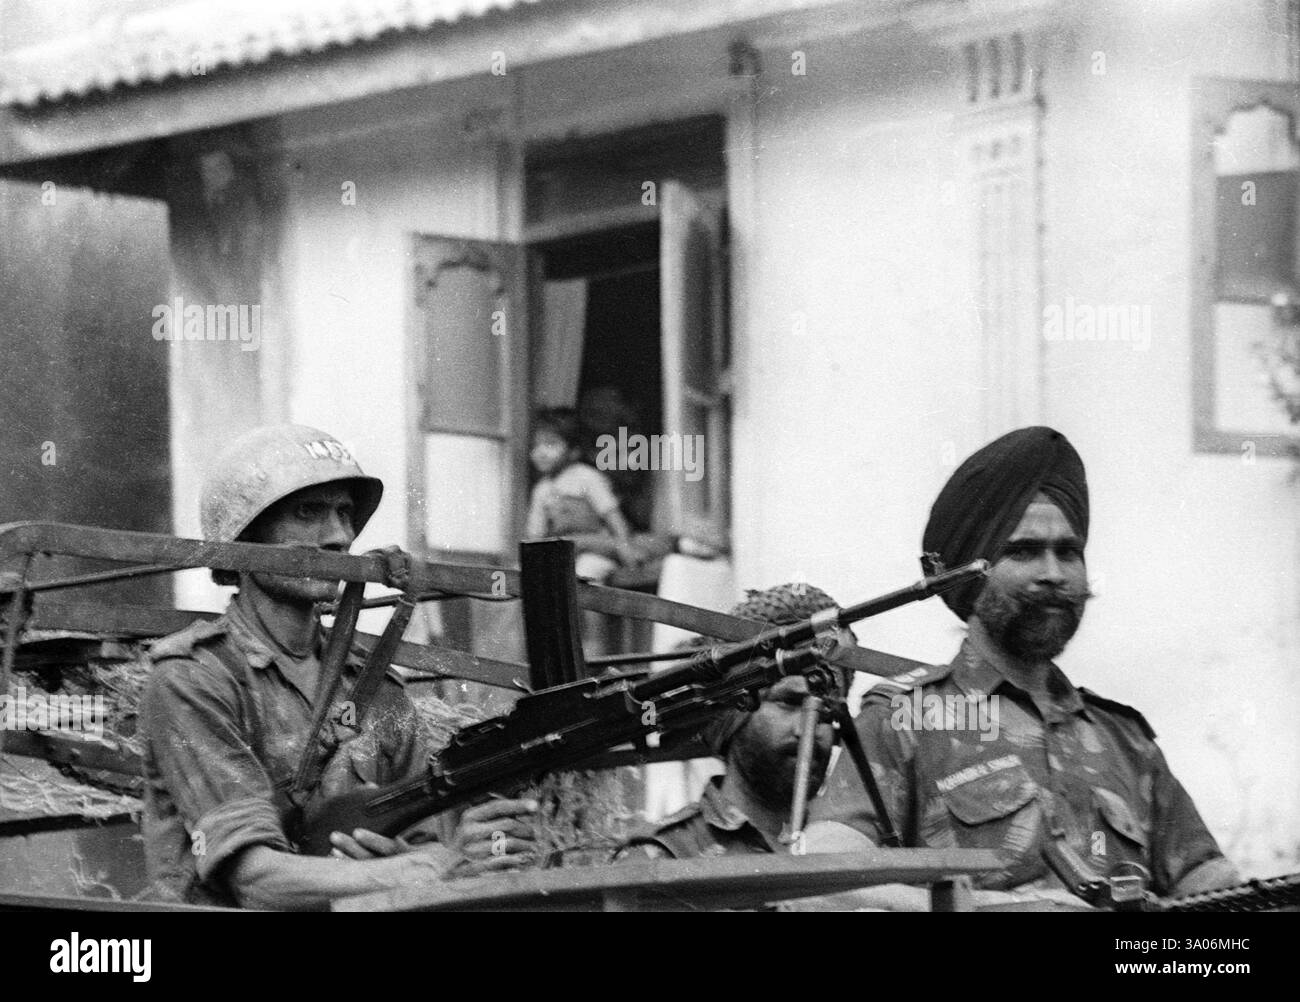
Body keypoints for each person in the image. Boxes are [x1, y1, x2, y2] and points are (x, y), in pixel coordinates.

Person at [802, 426, 1240, 908]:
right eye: (1024, 551)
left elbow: (1207, 880)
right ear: (970, 573)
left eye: (1068, 552)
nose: (1053, 573)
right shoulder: (902, 721)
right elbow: (827, 886)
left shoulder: (1125, 739)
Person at [140, 424, 537, 909]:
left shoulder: (377, 687)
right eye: (308, 512)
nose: (339, 536)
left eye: (344, 512)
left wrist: (443, 856)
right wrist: (426, 868)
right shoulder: (194, 677)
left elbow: (425, 849)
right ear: (244, 535)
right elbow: (255, 881)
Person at [615, 583, 853, 860]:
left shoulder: (855, 843)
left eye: (825, 711)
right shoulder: (666, 855)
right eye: (788, 702)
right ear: (732, 712)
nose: (808, 730)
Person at [525, 407, 643, 583]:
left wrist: (626, 549)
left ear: (573, 450)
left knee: (584, 575)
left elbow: (614, 517)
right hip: (566, 554)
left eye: (550, 444)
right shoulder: (541, 490)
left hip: (596, 550)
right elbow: (535, 535)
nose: (541, 452)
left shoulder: (587, 477)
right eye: (536, 446)